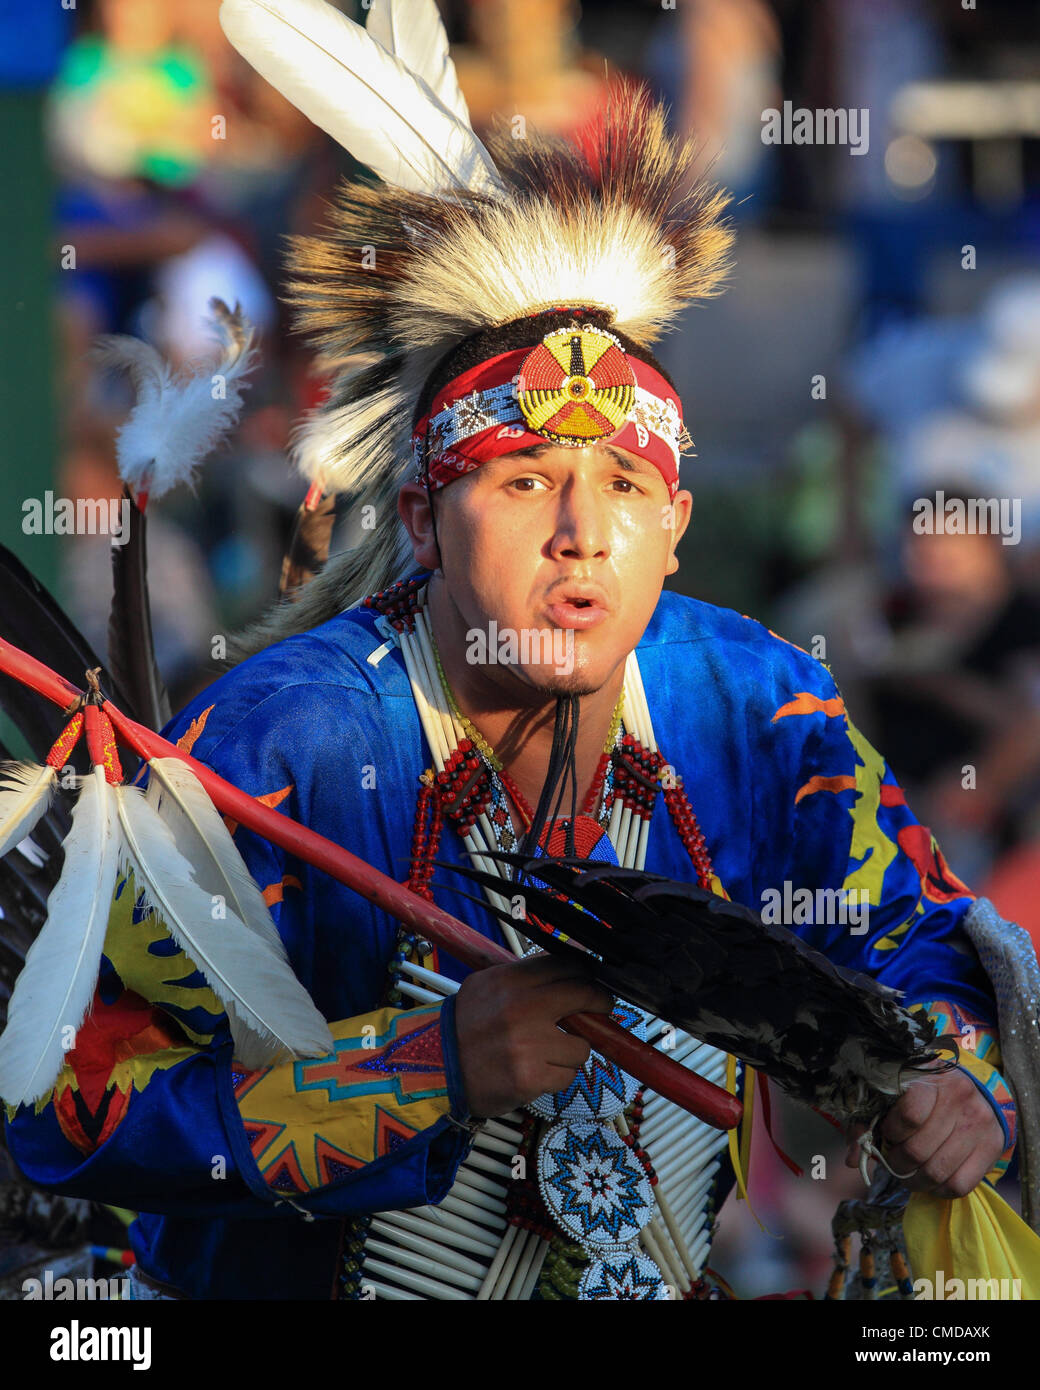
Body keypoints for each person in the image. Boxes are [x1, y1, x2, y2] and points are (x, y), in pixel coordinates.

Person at [2, 0, 1023, 1301]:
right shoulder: (293, 742)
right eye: (528, 479)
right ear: (424, 517)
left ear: (677, 527)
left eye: (623, 489)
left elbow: (930, 936)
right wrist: (430, 1069)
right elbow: (64, 1098)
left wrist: (955, 1080)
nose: (582, 533)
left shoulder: (754, 713)